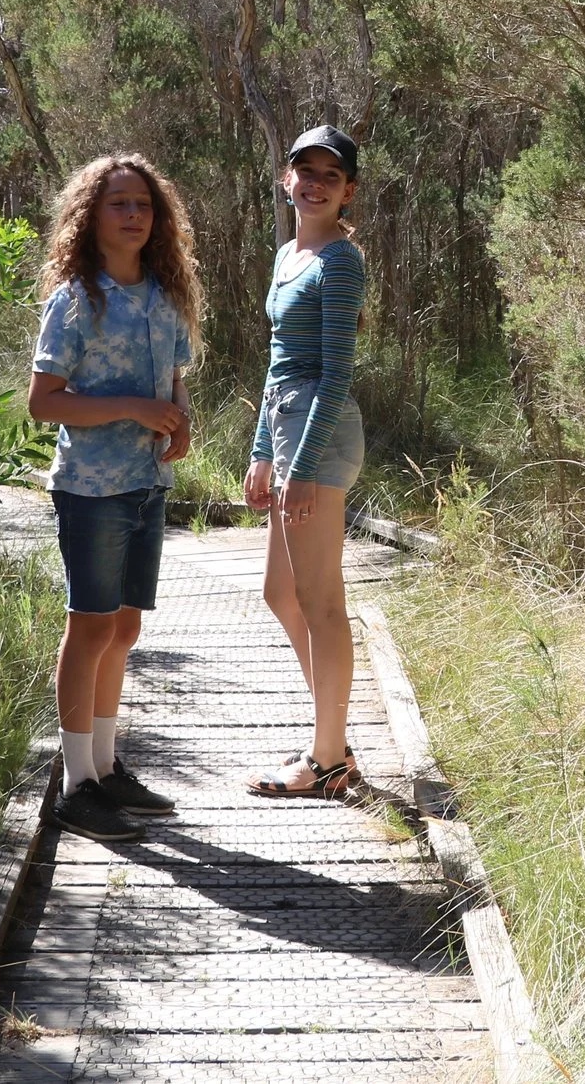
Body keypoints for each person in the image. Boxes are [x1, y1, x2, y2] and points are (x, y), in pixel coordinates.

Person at [26, 154, 200, 843]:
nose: (133, 214)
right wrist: (133, 406)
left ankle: (104, 766)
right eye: (118, 203)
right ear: (90, 218)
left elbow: (177, 376)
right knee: (91, 626)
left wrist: (179, 419)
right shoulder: (74, 299)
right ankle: (75, 787)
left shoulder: (164, 294)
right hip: (92, 489)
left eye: (143, 205)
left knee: (124, 628)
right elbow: (44, 401)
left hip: (147, 483)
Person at [245, 125, 369, 798]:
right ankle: (335, 737)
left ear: (347, 190)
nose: (316, 182)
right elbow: (277, 363)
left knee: (321, 599)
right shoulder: (289, 253)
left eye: (331, 174)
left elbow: (336, 371)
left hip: (318, 435)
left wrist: (301, 461)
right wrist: (263, 452)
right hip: (287, 430)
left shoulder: (339, 262)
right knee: (280, 593)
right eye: (305, 170)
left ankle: (325, 759)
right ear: (286, 178)